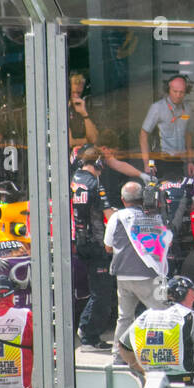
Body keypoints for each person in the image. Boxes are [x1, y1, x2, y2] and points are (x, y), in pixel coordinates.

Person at [105, 180, 171, 350]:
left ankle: (118, 357)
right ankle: (161, 355)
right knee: (161, 316)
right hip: (152, 275)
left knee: (124, 318)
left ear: (122, 199)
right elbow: (167, 242)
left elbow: (108, 246)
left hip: (123, 276)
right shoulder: (156, 217)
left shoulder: (117, 217)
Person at [118, 275, 194, 387]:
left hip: (152, 382)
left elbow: (123, 346)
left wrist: (135, 365)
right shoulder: (189, 316)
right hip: (186, 382)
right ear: (181, 293)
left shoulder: (145, 316)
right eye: (192, 293)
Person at [71, 145, 116, 352]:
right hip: (96, 244)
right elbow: (109, 217)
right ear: (98, 163)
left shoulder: (74, 179)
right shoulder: (96, 185)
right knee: (102, 293)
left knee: (96, 289)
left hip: (79, 241)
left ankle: (86, 329)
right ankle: (89, 337)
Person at [139, 75, 194, 180]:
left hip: (179, 160)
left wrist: (190, 161)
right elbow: (143, 134)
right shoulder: (157, 108)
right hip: (160, 160)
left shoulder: (187, 108)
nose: (178, 95)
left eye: (182, 92)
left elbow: (188, 135)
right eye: (175, 91)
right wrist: (146, 163)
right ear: (168, 90)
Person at [68, 73, 98, 151]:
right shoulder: (64, 109)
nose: (76, 96)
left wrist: (84, 114)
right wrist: (86, 141)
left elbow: (94, 139)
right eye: (73, 92)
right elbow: (69, 142)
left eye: (79, 93)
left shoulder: (86, 108)